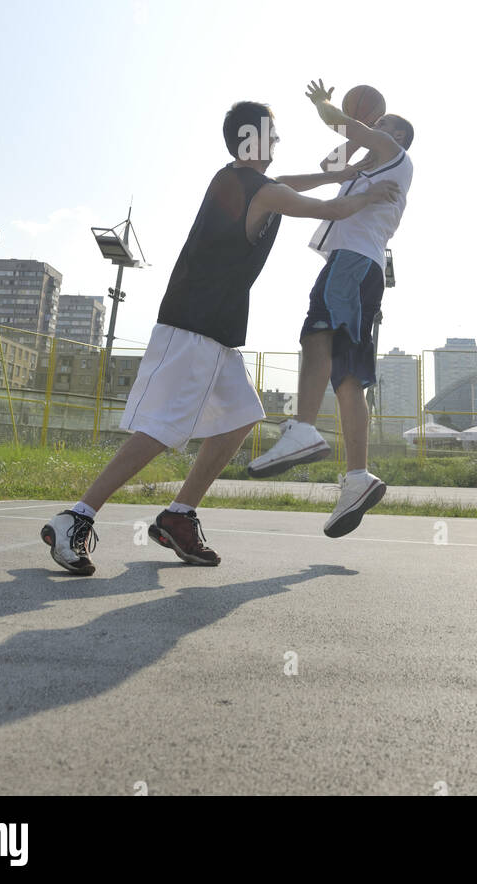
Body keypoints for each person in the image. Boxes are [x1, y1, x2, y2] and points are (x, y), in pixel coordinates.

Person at [40, 99, 399, 574]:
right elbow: (327, 208)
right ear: (253, 139)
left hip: (216, 331)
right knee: (161, 430)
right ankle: (76, 517)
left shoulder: (239, 181)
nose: (277, 142)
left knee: (241, 417)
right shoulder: (255, 188)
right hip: (195, 324)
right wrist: (372, 194)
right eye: (272, 134)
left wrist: (338, 175)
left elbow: (294, 185)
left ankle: (179, 516)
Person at [248, 78, 414, 539]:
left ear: (395, 137)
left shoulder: (397, 158)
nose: (373, 128)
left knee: (315, 334)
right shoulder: (366, 171)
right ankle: (358, 479)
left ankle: (303, 428)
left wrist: (327, 106)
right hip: (360, 269)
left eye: (382, 125)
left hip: (353, 264)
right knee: (347, 379)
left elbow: (348, 128)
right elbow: (325, 168)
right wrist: (344, 147)